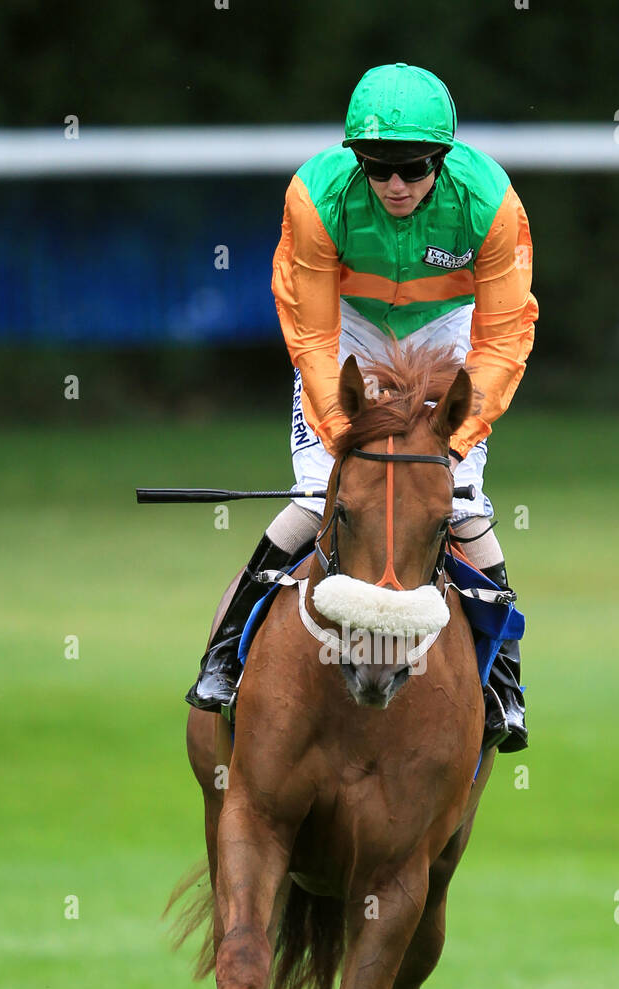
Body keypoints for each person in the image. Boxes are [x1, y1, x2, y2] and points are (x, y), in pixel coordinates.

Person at [187, 61, 538, 751]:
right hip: (348, 331)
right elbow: (311, 334)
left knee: (461, 501)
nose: (395, 185)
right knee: (320, 494)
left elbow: (504, 336)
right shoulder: (316, 196)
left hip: (446, 334)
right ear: (357, 161)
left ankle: (506, 684)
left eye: (411, 168)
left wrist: (452, 444)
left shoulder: (492, 202)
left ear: (442, 158)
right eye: (377, 169)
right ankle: (225, 655)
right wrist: (344, 435)